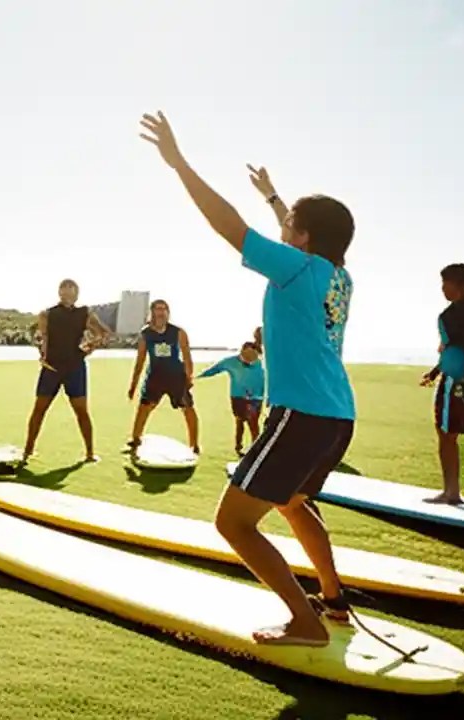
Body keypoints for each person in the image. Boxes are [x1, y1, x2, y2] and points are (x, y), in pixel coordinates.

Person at [142, 111, 357, 647]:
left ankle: (306, 623)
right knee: (292, 503)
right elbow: (305, 234)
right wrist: (275, 198)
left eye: (289, 227)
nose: (282, 230)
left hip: (300, 415)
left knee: (233, 523)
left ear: (301, 240)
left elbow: (227, 225)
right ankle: (333, 601)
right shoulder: (338, 275)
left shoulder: (296, 267)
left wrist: (179, 165)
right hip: (337, 417)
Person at [23, 279, 111, 463]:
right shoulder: (46, 314)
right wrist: (41, 353)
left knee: (82, 411)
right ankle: (28, 451)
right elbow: (40, 337)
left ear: (77, 294)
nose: (68, 292)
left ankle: (90, 453)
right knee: (39, 409)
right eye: (64, 288)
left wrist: (89, 348)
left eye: (72, 289)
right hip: (51, 368)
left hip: (75, 368)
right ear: (59, 292)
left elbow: (103, 333)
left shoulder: (84, 313)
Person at [418, 263, 464, 505]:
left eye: (446, 283)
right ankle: (452, 491)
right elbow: (453, 348)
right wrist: (434, 371)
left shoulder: (452, 315)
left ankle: (452, 492)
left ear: (460, 286)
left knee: (447, 434)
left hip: (457, 382)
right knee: (448, 433)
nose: (442, 288)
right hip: (455, 376)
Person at [125, 300, 200, 455]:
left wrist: (189, 377)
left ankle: (194, 444)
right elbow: (140, 360)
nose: (161, 312)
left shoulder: (178, 332)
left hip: (176, 377)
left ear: (168, 313)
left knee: (188, 408)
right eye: (158, 309)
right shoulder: (145, 334)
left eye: (164, 309)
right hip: (155, 377)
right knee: (144, 407)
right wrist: (133, 385)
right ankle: (135, 438)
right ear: (152, 312)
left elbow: (187, 356)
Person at [197, 340, 266, 456]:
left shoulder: (262, 365)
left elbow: (266, 381)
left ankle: (256, 449)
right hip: (237, 397)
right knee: (240, 421)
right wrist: (198, 377)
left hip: (256, 398)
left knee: (253, 423)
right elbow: (215, 369)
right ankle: (238, 446)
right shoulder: (231, 362)